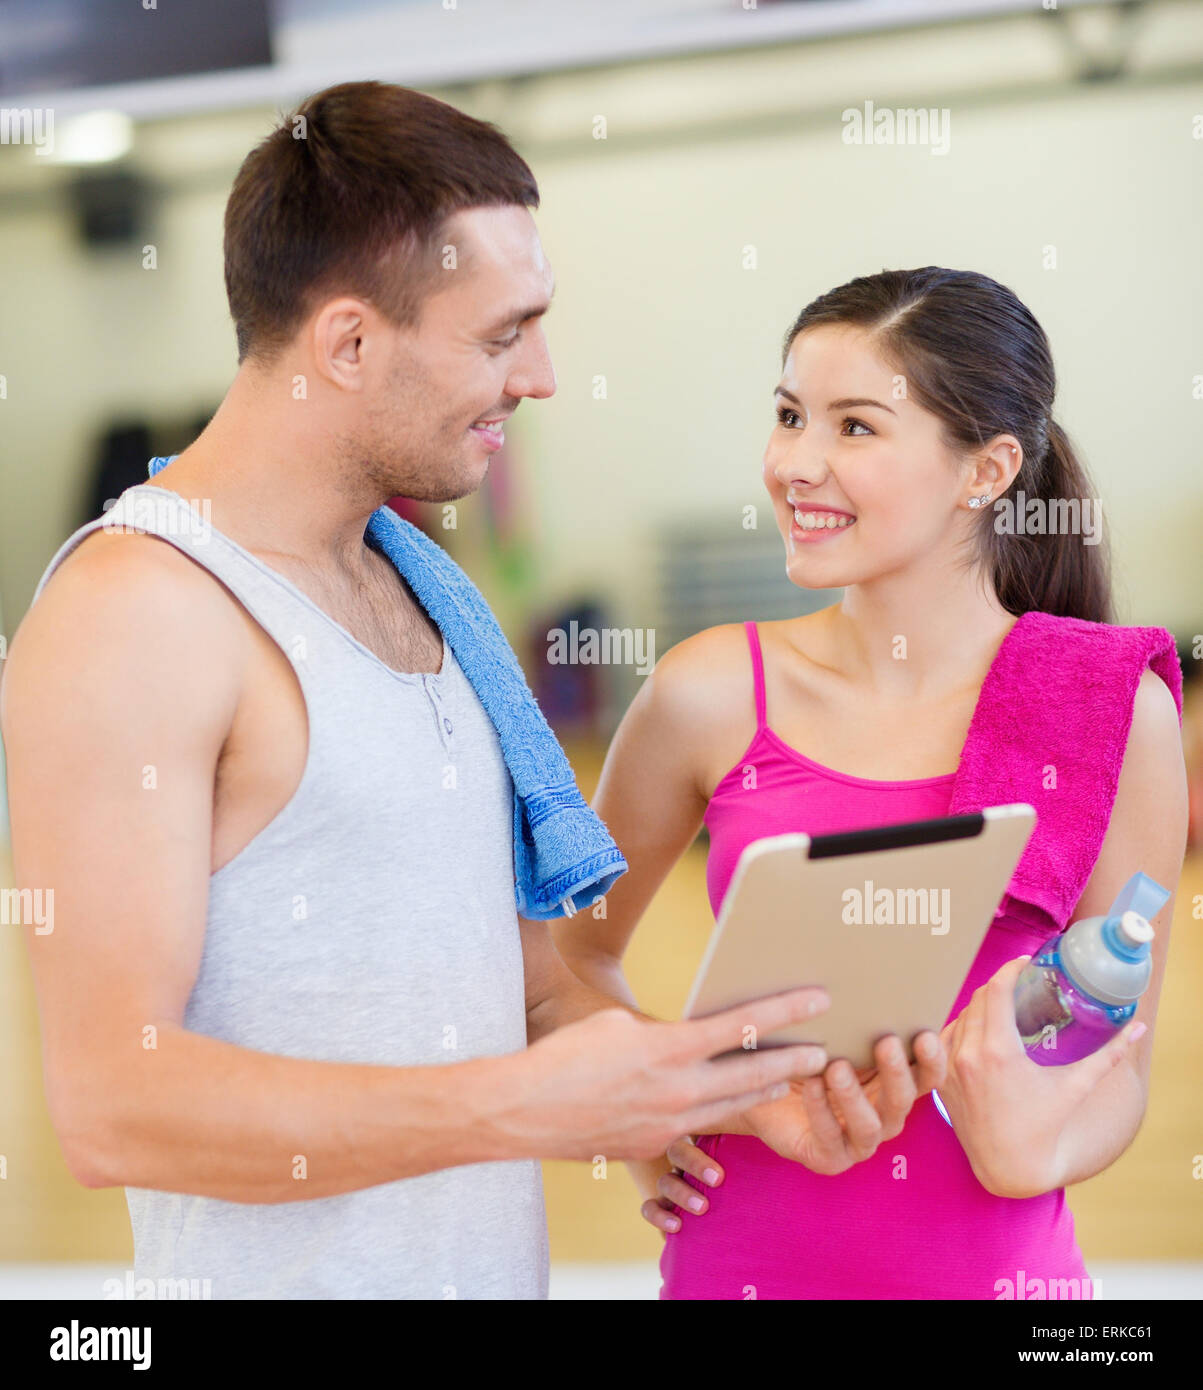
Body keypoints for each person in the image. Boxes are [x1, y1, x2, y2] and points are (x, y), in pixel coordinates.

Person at [0, 80, 880, 1300]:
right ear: (350, 344)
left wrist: (708, 1090)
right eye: (501, 333)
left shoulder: (425, 595)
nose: (543, 376)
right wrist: (513, 1109)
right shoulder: (133, 617)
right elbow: (111, 1106)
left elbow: (521, 993)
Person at [553, 267, 1188, 1299]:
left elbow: (1120, 1067)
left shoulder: (1111, 709)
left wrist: (1038, 1152)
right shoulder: (710, 692)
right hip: (741, 1267)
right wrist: (651, 1106)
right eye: (791, 414)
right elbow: (569, 955)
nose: (794, 463)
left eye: (854, 427)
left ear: (987, 469)